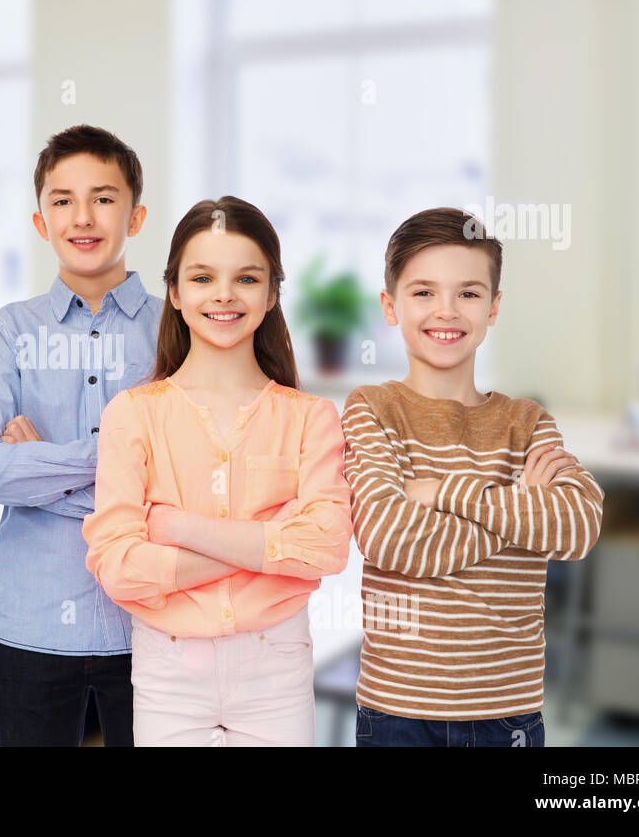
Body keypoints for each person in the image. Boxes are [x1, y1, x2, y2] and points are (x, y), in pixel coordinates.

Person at [83, 196, 352, 746]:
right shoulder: (133, 414)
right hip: (168, 668)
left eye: (246, 278)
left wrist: (175, 527)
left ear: (272, 294)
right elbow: (117, 565)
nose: (225, 295)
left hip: (274, 662)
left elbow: (324, 547)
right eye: (203, 277)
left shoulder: (312, 418)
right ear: (176, 293)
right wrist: (267, 548)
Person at [341, 207, 604, 747]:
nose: (447, 311)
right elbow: (389, 539)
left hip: (509, 713)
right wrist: (520, 505)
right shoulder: (372, 408)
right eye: (423, 292)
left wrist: (438, 492)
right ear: (390, 307)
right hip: (398, 709)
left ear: (493, 306)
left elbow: (578, 527)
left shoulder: (527, 421)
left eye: (468, 292)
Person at [0, 124, 161, 746]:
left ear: (136, 215)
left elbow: (184, 474)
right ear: (39, 219)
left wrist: (41, 466)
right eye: (62, 200)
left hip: (151, 627)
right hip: (33, 627)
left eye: (103, 197)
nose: (83, 216)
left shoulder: (178, 328)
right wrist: (121, 463)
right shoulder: (8, 331)